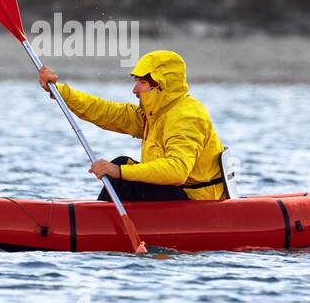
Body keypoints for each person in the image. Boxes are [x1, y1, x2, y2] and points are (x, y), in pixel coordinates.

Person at [37, 49, 227, 201]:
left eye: (142, 83)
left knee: (120, 172)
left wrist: (118, 172)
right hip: (176, 192)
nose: (134, 90)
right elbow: (105, 112)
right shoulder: (155, 114)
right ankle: (98, 221)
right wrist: (60, 91)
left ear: (161, 86)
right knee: (121, 164)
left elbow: (177, 170)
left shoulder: (186, 116)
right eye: (136, 82)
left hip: (197, 200)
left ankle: (94, 226)